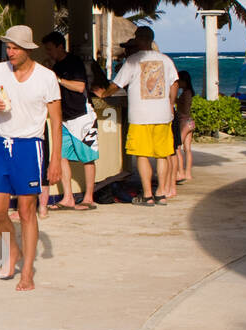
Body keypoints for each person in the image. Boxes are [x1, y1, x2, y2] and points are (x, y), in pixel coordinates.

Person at [0, 25, 62, 291]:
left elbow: (56, 121)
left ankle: (27, 271)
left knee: (26, 211)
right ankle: (12, 249)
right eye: (8, 46)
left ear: (28, 49)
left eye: (15, 47)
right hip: (1, 145)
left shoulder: (46, 77)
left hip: (30, 147)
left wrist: (55, 160)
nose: (10, 51)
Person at [96, 25, 179, 205]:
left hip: (140, 116)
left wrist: (103, 94)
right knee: (162, 155)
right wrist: (171, 104)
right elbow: (174, 84)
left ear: (139, 39)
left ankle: (148, 195)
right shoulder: (165, 60)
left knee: (142, 155)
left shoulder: (133, 61)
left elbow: (116, 84)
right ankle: (161, 193)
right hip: (163, 115)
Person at [40, 31, 99, 212]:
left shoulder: (74, 63)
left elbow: (80, 86)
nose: (49, 53)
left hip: (82, 116)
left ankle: (89, 197)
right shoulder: (55, 66)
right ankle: (68, 197)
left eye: (50, 49)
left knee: (87, 157)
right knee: (62, 156)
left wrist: (58, 78)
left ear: (60, 46)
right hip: (63, 117)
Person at [175, 70, 196, 183]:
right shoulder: (188, 92)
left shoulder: (186, 93)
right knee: (187, 149)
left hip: (184, 121)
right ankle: (187, 173)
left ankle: (181, 172)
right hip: (189, 121)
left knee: (177, 147)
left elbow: (185, 108)